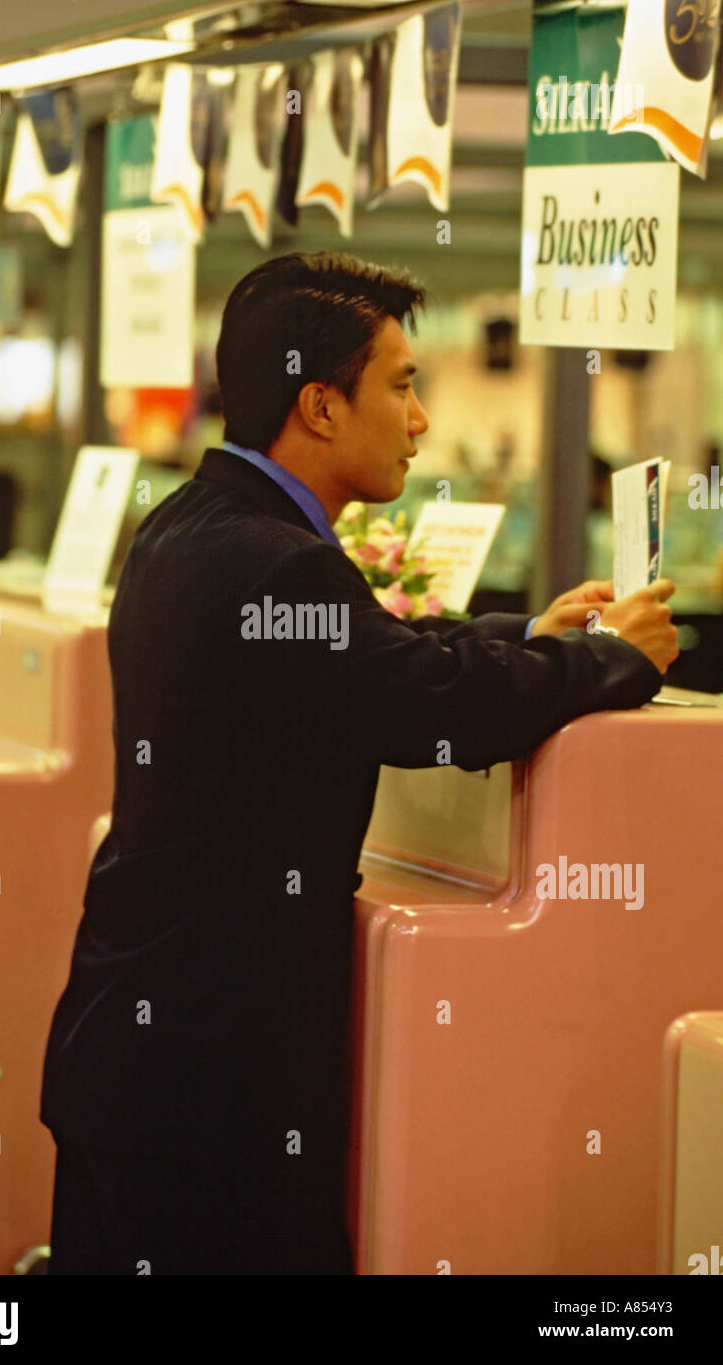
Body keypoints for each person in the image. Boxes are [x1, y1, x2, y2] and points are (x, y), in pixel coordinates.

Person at [40, 251, 678, 1276]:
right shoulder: (269, 559)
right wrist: (609, 661)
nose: (421, 418)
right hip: (208, 1082)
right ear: (321, 405)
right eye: (401, 383)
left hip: (144, 1053)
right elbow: (435, 706)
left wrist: (531, 634)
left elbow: (375, 660)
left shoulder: (192, 530)